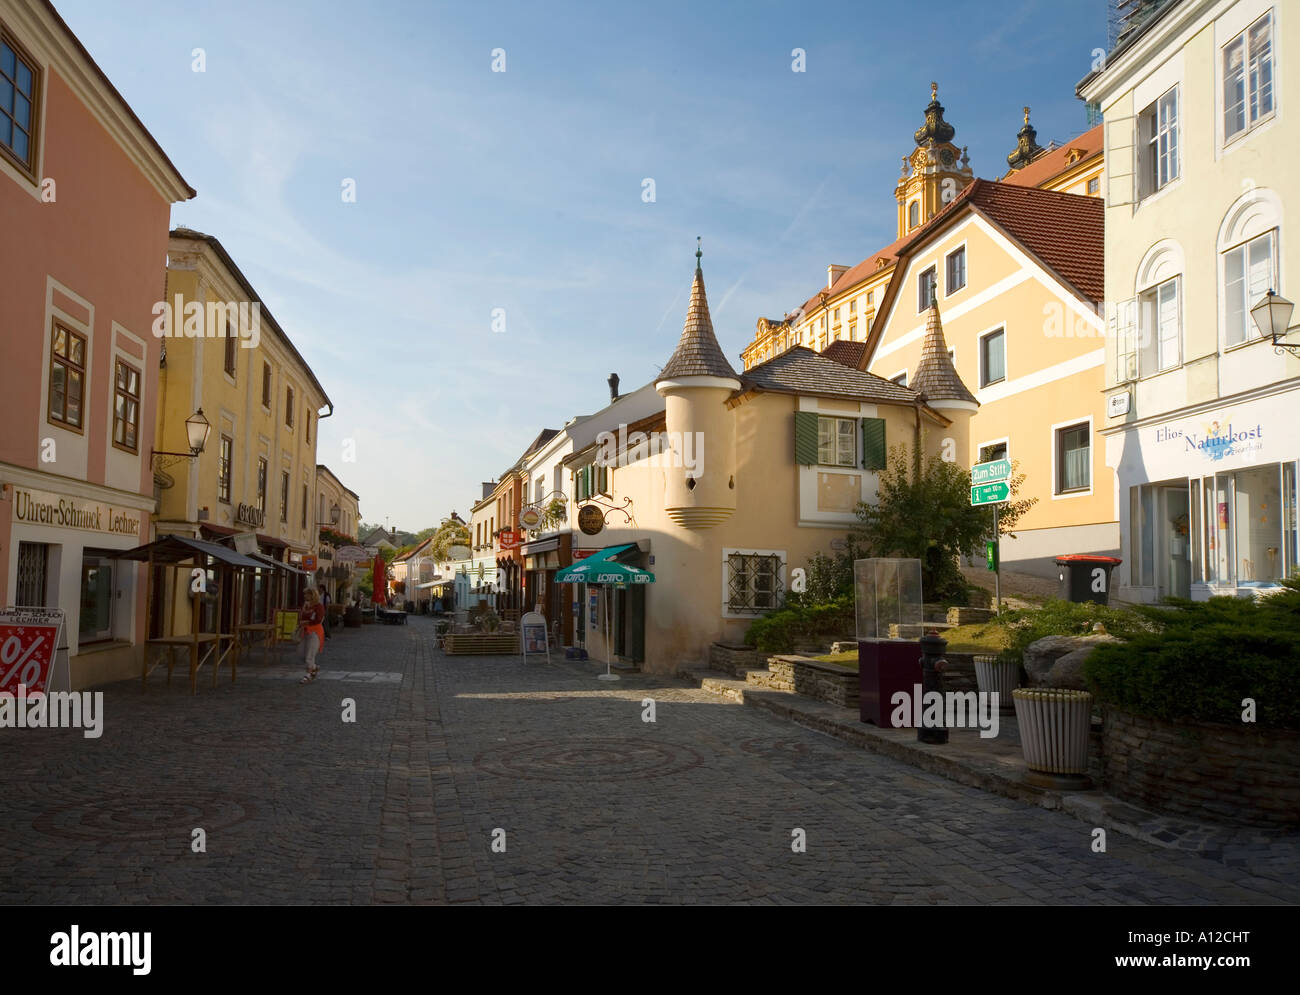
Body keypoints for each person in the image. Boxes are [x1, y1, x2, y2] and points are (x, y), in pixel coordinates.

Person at [297, 588, 326, 684]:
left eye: (307, 594)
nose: (305, 596)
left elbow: (318, 619)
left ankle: (308, 675)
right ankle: (314, 667)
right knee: (301, 654)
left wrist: (307, 622)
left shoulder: (319, 606)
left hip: (315, 632)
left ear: (312, 595)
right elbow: (301, 617)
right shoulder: (306, 606)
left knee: (310, 654)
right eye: (305, 594)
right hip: (305, 631)